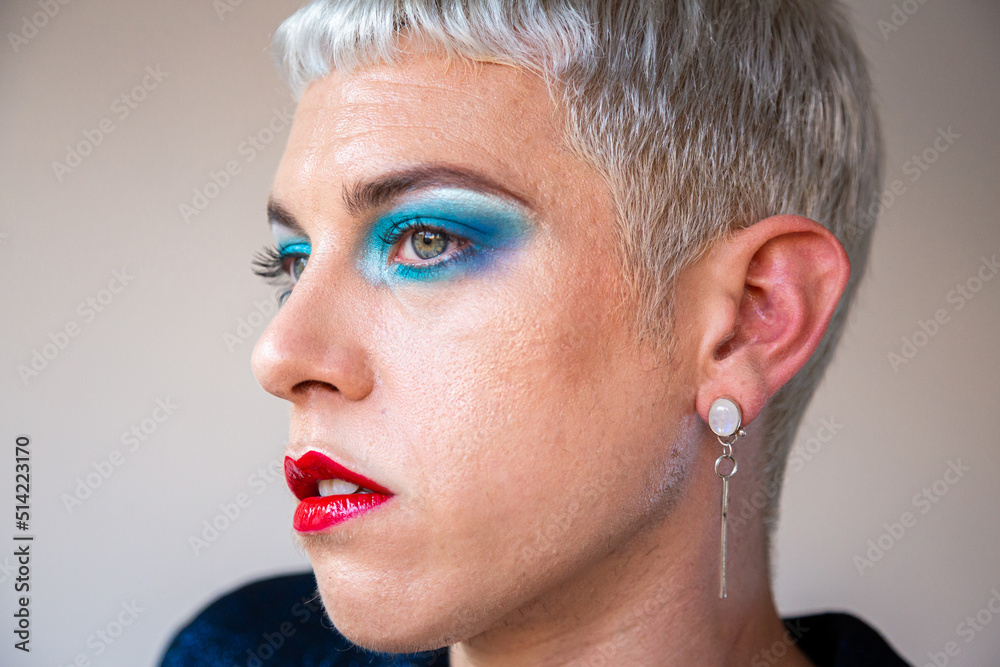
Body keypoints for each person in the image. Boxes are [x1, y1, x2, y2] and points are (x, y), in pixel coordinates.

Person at [161, 0, 913, 664]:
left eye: (426, 239)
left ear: (752, 318)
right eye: (293, 261)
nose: (279, 354)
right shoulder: (234, 648)